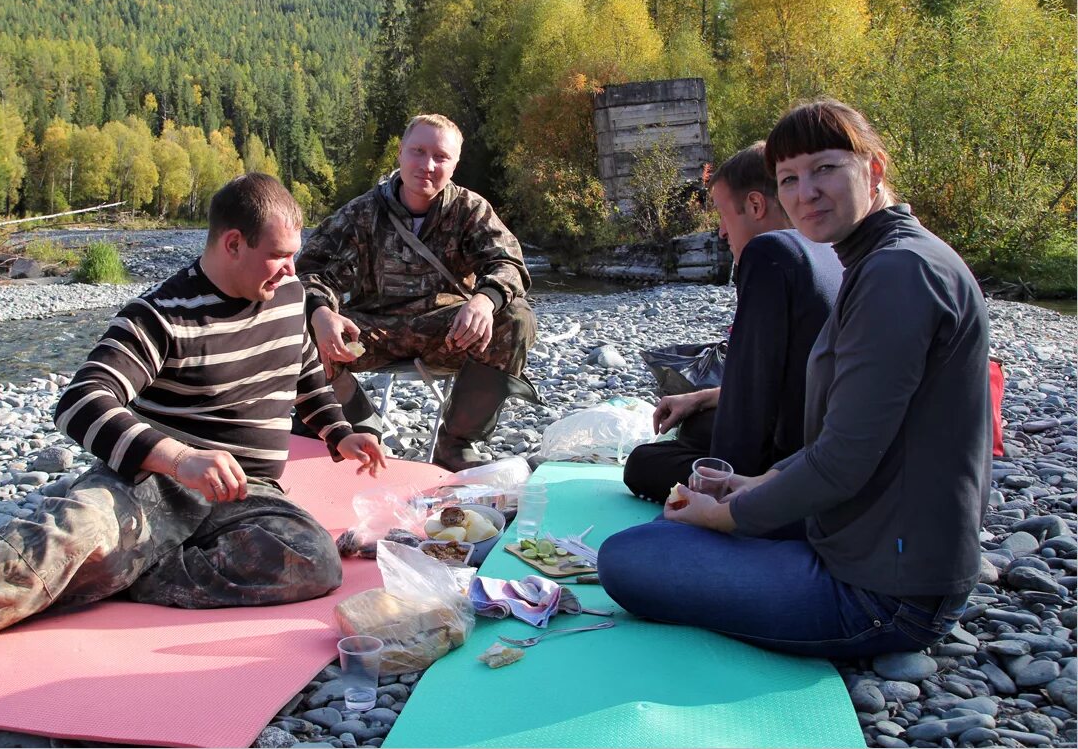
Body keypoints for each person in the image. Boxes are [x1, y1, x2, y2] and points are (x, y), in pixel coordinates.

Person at [0, 173, 386, 733]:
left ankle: (122, 572)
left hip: (247, 492)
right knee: (49, 547)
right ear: (233, 243)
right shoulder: (159, 315)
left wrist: (337, 432)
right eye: (280, 255)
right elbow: (81, 403)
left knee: (315, 561)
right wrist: (178, 458)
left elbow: (302, 366)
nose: (291, 270)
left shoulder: (289, 295)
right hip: (155, 486)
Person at [599, 100, 991, 657]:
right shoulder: (881, 259)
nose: (805, 191)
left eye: (826, 168)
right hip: (868, 537)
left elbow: (842, 460)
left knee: (626, 559)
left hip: (888, 593)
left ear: (874, 169)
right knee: (666, 535)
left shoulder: (899, 273)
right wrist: (755, 485)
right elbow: (846, 439)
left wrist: (731, 515)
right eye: (789, 177)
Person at [297, 114, 539, 472]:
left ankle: (457, 443)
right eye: (418, 152)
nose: (427, 165)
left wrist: (484, 301)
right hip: (370, 331)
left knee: (516, 317)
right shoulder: (362, 213)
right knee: (295, 323)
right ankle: (353, 424)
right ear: (400, 153)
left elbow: (509, 264)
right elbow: (309, 271)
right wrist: (321, 312)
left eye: (440, 157)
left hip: (448, 331)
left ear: (455, 164)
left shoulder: (470, 210)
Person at [623, 143, 842, 501]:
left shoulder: (769, 254)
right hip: (819, 433)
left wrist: (724, 494)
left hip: (786, 464)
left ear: (755, 205)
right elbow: (786, 380)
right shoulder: (828, 246)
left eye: (724, 216)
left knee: (643, 462)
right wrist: (702, 398)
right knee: (694, 422)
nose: (722, 233)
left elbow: (751, 409)